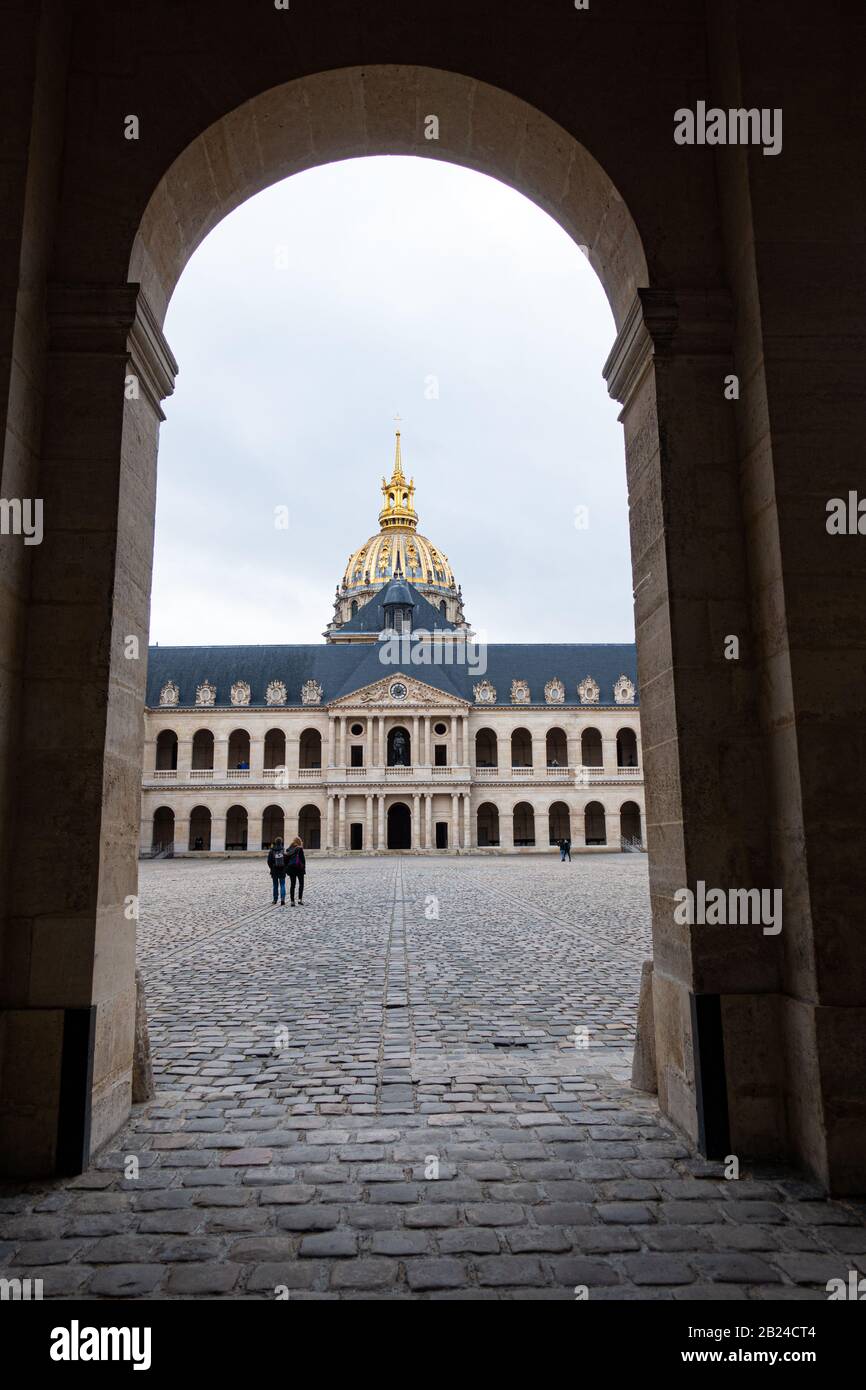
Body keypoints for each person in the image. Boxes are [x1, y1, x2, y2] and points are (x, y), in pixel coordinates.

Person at [267, 836, 288, 905]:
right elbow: (286, 861)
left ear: (275, 842)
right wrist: (285, 868)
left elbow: (269, 861)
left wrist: (271, 868)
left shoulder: (271, 851)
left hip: (274, 870)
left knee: (275, 885)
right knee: (282, 885)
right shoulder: (283, 850)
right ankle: (282, 900)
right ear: (281, 842)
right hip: (282, 870)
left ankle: (275, 900)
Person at [286, 836, 306, 906]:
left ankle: (292, 901)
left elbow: (286, 860)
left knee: (292, 885)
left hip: (291, 868)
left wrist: (287, 869)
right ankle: (300, 900)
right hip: (299, 868)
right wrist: (304, 869)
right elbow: (303, 860)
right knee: (301, 884)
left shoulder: (289, 849)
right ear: (299, 842)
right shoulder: (300, 849)